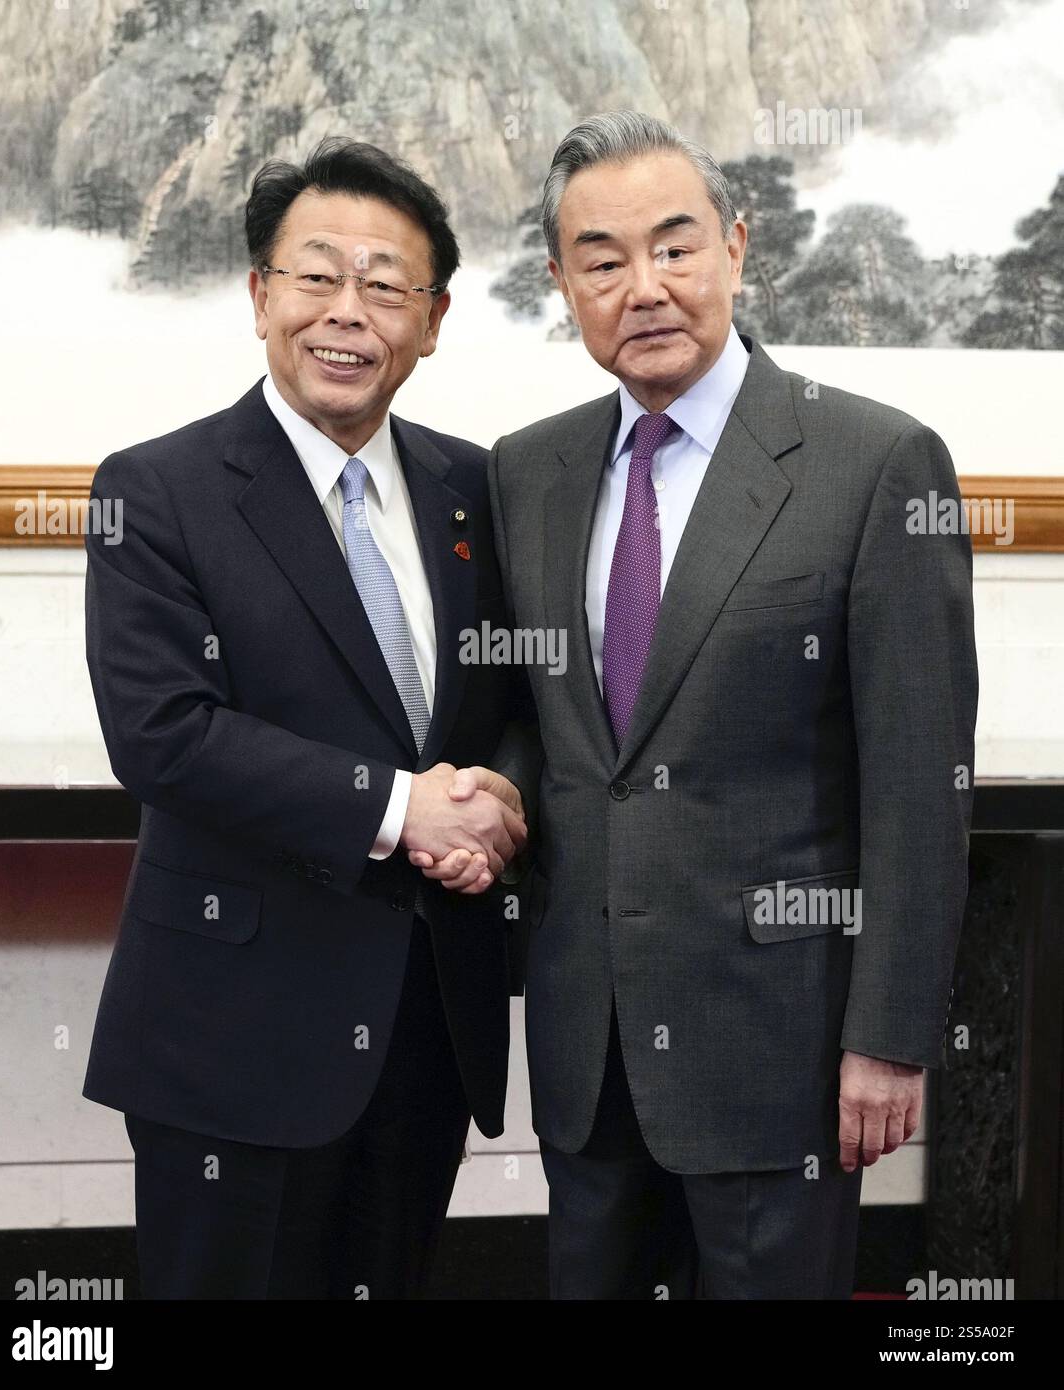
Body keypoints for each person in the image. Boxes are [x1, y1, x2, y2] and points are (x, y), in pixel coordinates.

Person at [413, 110, 978, 1299]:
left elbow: (921, 782)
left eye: (674, 247)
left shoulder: (873, 463)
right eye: (602, 260)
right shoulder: (529, 469)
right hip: (586, 1036)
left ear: (735, 244)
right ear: (562, 284)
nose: (644, 287)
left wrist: (888, 1037)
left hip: (780, 1043)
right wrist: (501, 787)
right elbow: (539, 712)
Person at [82, 136, 528, 1299]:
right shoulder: (157, 490)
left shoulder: (476, 488)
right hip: (233, 1037)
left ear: (430, 322)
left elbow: (520, 694)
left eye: (386, 285)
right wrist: (401, 808)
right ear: (259, 296)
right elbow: (163, 733)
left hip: (425, 1020)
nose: (348, 311)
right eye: (316, 275)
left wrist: (502, 796)